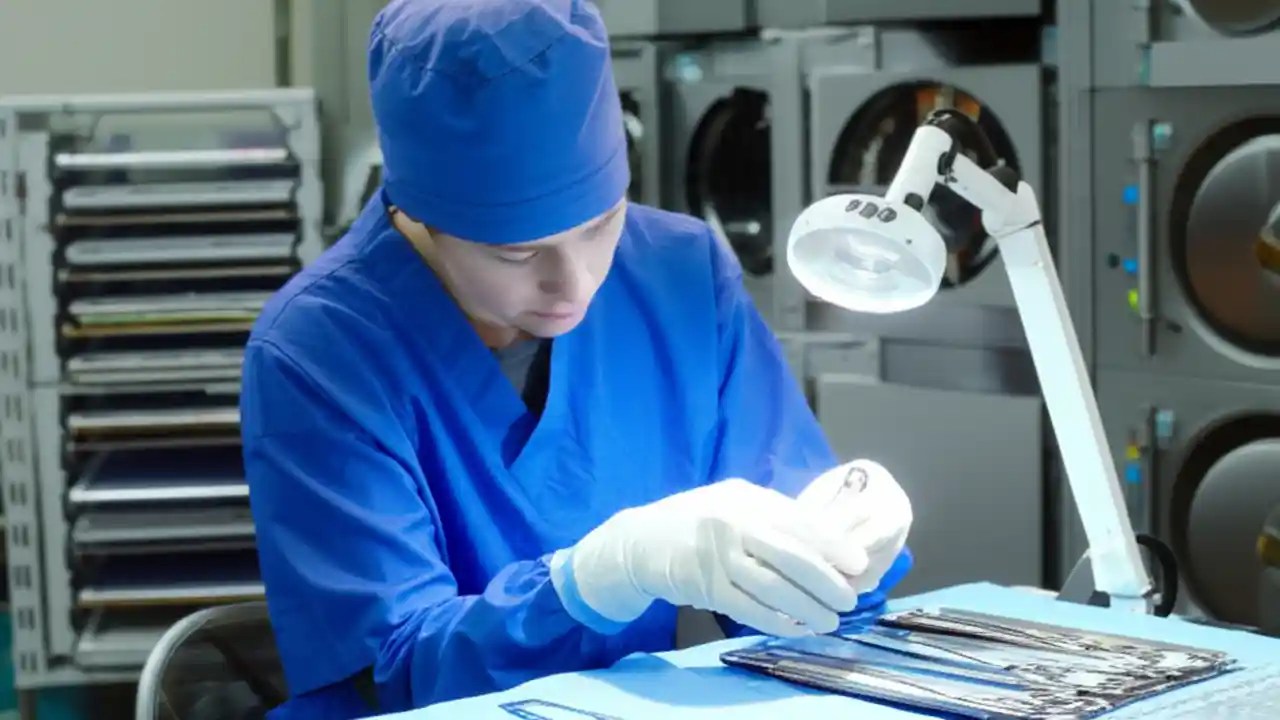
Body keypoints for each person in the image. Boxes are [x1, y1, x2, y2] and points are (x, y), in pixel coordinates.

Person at [238, 0, 915, 717]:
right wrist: (594, 579)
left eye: (600, 227)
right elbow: (398, 676)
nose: (576, 284)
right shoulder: (320, 351)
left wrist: (844, 554)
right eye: (517, 252)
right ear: (421, 214)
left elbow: (781, 608)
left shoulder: (680, 275)